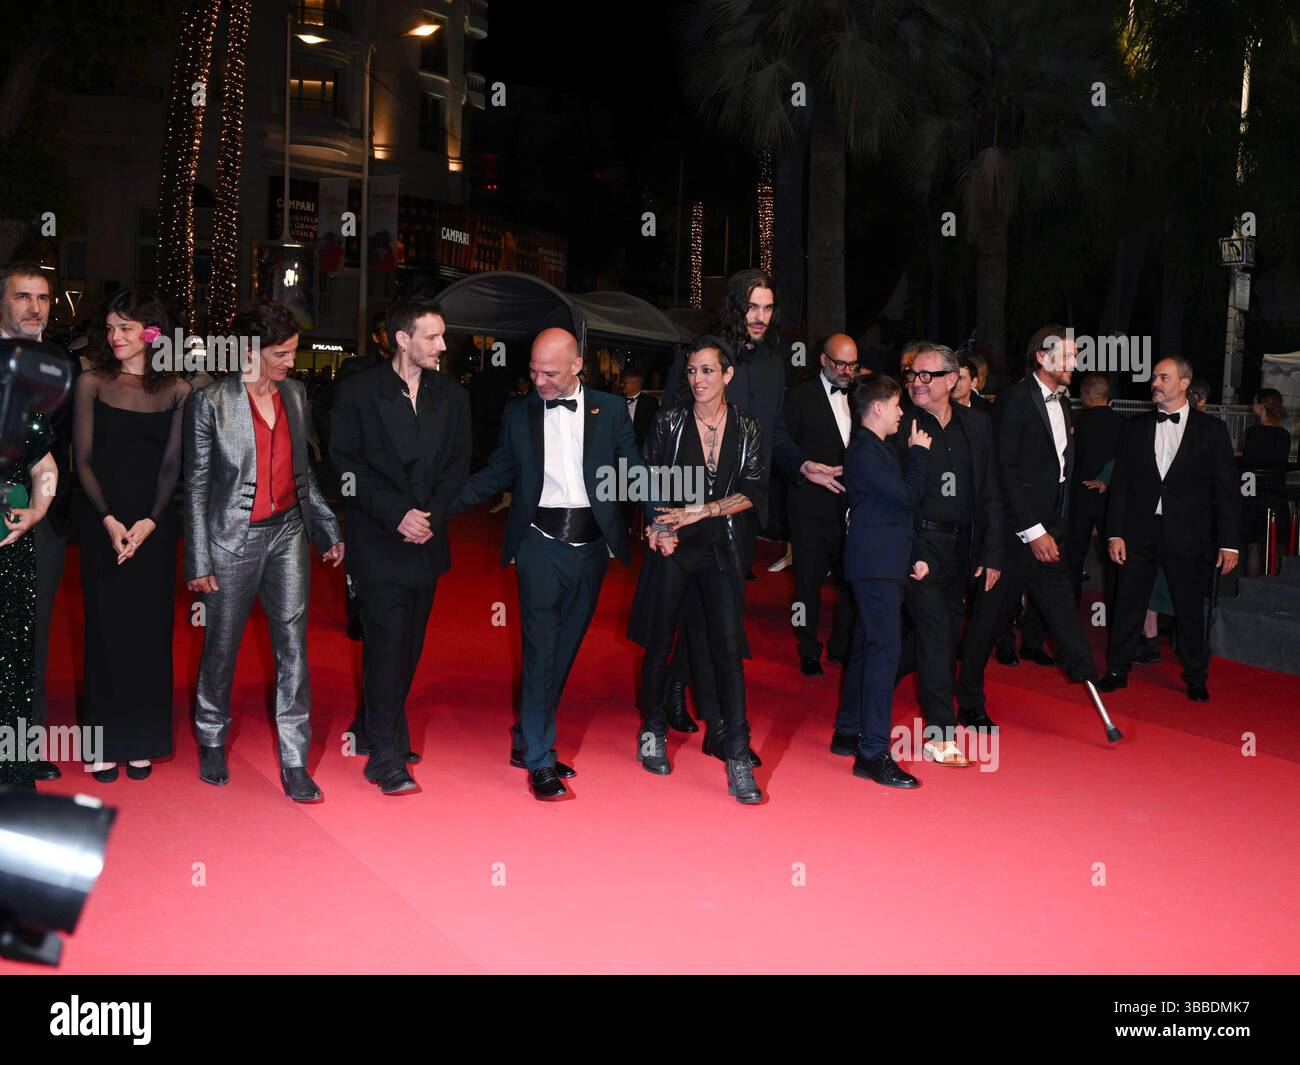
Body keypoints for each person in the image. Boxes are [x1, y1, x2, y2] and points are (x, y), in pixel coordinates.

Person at [450, 327, 644, 801]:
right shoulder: (518, 413)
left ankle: (528, 736)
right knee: (540, 651)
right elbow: (497, 471)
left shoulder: (611, 409)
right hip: (539, 544)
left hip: (592, 547)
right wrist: (439, 507)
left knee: (565, 649)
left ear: (578, 366)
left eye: (549, 373)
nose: (538, 381)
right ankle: (540, 759)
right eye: (533, 371)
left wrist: (662, 519)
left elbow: (633, 470)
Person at [658, 269, 833, 755]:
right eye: (752, 307)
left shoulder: (776, 364)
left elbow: (772, 433)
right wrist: (671, 509)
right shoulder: (702, 356)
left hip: (742, 509)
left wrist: (803, 465)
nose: (760, 317)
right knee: (707, 614)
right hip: (694, 506)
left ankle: (682, 689)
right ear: (736, 307)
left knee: (719, 613)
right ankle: (718, 727)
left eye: (768, 307)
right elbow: (673, 428)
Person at [184, 300, 345, 801]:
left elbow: (303, 475)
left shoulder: (296, 396)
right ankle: (211, 734)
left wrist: (328, 528)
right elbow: (195, 486)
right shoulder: (210, 402)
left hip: (288, 534)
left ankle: (295, 760)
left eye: (292, 352)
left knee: (293, 647)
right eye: (282, 353)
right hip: (230, 539)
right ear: (250, 351)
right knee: (222, 645)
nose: (291, 362)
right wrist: (198, 560)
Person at [329, 296, 471, 795]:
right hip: (379, 539)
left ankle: (371, 724)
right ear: (403, 339)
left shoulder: (451, 396)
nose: (443, 345)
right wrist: (397, 514)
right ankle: (385, 755)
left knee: (409, 643)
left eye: (443, 335)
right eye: (433, 336)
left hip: (427, 539)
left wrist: (430, 514)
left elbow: (458, 464)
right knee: (386, 642)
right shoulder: (358, 393)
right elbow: (344, 468)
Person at [628, 336, 766, 802]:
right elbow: (647, 479)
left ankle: (739, 753)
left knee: (728, 650)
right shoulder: (669, 421)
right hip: (674, 548)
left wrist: (701, 512)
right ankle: (652, 727)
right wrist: (657, 524)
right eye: (691, 371)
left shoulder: (747, 427)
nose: (698, 380)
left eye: (708, 371)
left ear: (727, 375)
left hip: (722, 550)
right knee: (659, 642)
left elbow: (752, 492)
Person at [956, 326, 1101, 729]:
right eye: (1068, 356)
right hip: (1013, 535)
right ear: (1042, 357)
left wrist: (1053, 527)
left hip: (1050, 529)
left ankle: (1086, 673)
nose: (1074, 363)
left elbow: (1059, 471)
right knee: (988, 619)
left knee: (1063, 610)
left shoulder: (1066, 404)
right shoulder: (1014, 400)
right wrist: (1032, 531)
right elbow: (1005, 471)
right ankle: (968, 700)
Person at [75, 289, 191, 782]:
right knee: (105, 631)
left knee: (148, 633)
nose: (115, 337)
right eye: (109, 328)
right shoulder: (91, 382)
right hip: (103, 523)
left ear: (151, 332)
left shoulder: (179, 391)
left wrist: (150, 521)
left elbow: (172, 466)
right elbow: (81, 460)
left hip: (154, 529)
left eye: (125, 327)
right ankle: (103, 742)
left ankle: (141, 740)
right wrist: (109, 520)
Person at [879, 343, 1002, 767]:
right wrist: (909, 548)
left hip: (963, 547)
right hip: (919, 545)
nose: (916, 381)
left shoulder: (979, 425)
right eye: (912, 374)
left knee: (939, 635)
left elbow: (991, 492)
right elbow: (890, 496)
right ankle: (940, 734)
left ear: (952, 380)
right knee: (935, 633)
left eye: (926, 375)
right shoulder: (899, 424)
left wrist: (992, 551)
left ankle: (864, 693)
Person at [1100, 357, 1240, 701]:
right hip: (1138, 532)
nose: (1156, 383)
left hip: (1189, 534)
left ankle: (1195, 675)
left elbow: (1226, 491)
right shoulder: (1134, 427)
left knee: (1188, 607)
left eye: (1164, 377)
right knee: (1128, 603)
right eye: (1154, 377)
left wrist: (1230, 544)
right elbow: (1121, 485)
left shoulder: (1212, 431)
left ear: (1184, 383)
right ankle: (1117, 669)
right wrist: (1115, 532)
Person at [835, 375, 931, 787]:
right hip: (874, 566)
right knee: (883, 652)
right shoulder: (864, 451)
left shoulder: (873, 448)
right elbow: (907, 497)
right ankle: (872, 752)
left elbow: (890, 510)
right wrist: (920, 454)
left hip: (880, 561)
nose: (901, 411)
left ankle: (847, 731)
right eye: (895, 404)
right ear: (876, 408)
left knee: (865, 646)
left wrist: (912, 555)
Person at [0, 262, 70, 781]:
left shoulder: (60, 361)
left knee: (29, 639)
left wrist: (42, 509)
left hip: (35, 520)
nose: (34, 307)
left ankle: (22, 751)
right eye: (22, 296)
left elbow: (50, 455)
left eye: (42, 298)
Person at [783, 333, 858, 675]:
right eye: (841, 363)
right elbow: (779, 442)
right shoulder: (797, 397)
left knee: (851, 582)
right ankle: (808, 646)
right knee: (807, 585)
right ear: (823, 360)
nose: (847, 371)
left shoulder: (861, 396)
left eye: (852, 365)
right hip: (809, 509)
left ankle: (841, 644)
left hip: (854, 510)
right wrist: (803, 466)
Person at [0, 414, 57, 791]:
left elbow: (46, 469)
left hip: (11, 558)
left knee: (14, 665)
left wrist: (37, 512)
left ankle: (14, 770)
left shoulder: (22, 414)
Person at [1066, 373, 1124, 606]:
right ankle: (1115, 607)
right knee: (1113, 558)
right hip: (1110, 499)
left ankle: (1070, 607)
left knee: (1073, 557)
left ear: (1088, 395)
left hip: (1079, 498)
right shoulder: (1123, 424)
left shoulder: (1077, 423)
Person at [1240, 387, 1293, 562]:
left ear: (1261, 405)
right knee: (1276, 545)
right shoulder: (1284, 436)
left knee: (1253, 547)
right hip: (1277, 495)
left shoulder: (1253, 433)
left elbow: (1248, 468)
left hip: (1255, 497)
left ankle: (1251, 586)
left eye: (1255, 401)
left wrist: (1245, 497)